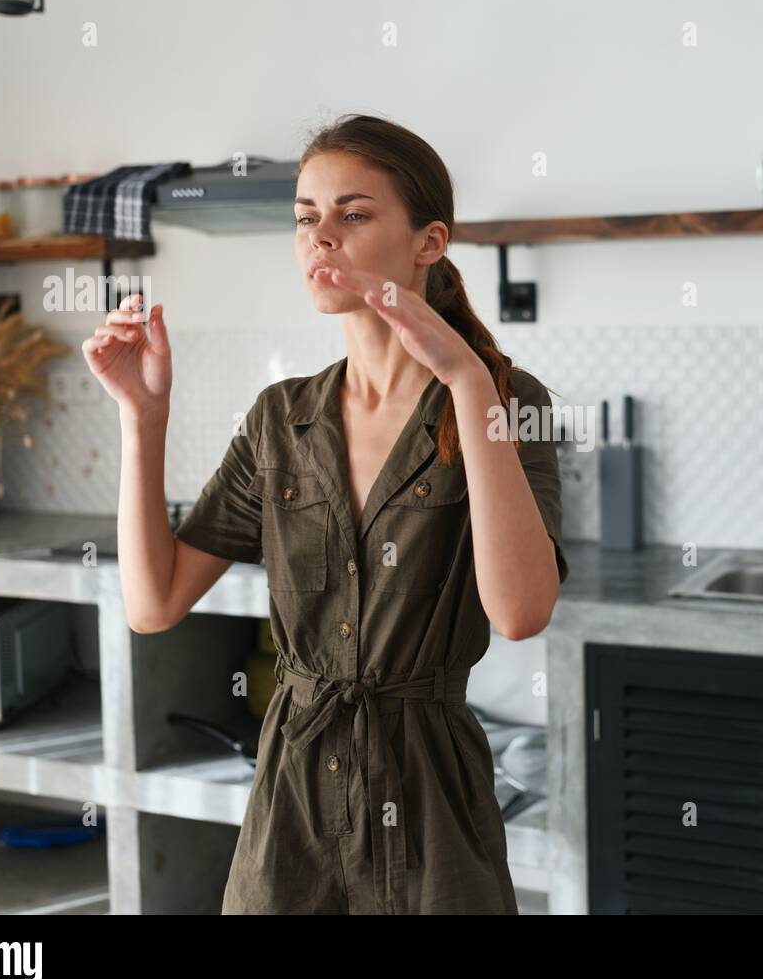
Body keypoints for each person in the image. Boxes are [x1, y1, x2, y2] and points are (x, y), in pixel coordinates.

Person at [83, 113, 568, 914]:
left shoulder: (508, 402)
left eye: (353, 213)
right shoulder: (282, 419)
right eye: (306, 217)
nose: (321, 238)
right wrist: (142, 417)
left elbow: (520, 612)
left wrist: (467, 379)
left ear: (429, 241)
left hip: (433, 813)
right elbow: (152, 601)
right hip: (291, 813)